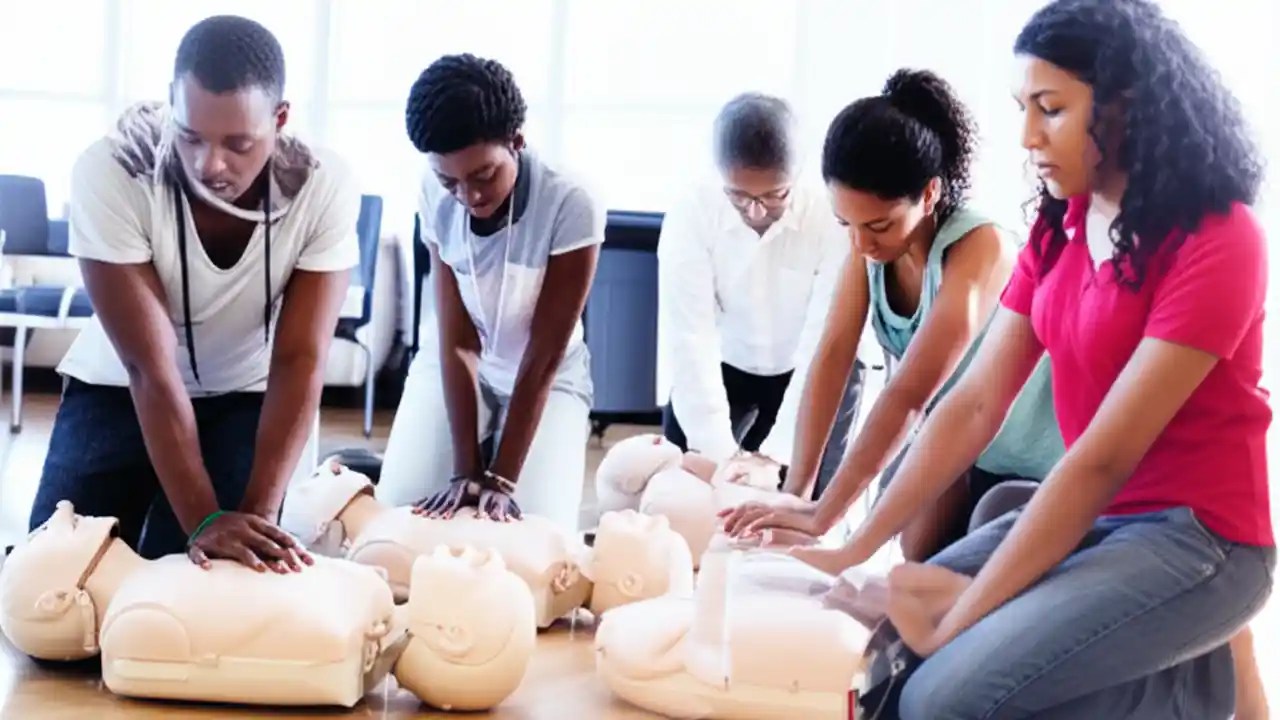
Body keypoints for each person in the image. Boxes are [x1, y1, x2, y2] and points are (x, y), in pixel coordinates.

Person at [789, 1, 1275, 717]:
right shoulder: (1063, 227)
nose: (1027, 136)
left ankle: (1186, 685)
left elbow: (1100, 460)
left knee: (941, 697)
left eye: (1050, 109)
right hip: (1102, 522)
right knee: (889, 646)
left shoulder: (1221, 240)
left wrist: (963, 617)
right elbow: (976, 401)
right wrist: (852, 546)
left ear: (1127, 105)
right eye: (1023, 108)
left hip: (1200, 539)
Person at [29, 16, 360, 573]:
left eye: (239, 143)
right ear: (170, 106)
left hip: (245, 395)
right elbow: (148, 366)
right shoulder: (110, 170)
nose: (211, 164)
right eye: (190, 137)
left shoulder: (324, 184)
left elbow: (302, 358)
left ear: (280, 120)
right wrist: (206, 519)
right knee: (53, 582)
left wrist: (252, 521)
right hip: (119, 386)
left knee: (212, 582)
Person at [722, 69, 1063, 561]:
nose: (861, 243)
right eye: (847, 224)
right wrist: (796, 493)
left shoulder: (980, 247)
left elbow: (910, 395)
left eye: (878, 224)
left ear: (929, 194)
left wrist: (824, 516)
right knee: (914, 549)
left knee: (958, 558)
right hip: (962, 444)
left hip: (1036, 458)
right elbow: (833, 356)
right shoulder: (869, 251)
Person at [376, 54, 604, 533]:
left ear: (516, 143)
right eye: (449, 180)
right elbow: (456, 340)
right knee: (398, 515)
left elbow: (544, 353)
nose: (468, 196)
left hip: (551, 374)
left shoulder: (571, 201)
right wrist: (465, 469)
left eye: (482, 175)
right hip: (457, 368)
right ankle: (387, 463)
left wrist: (500, 476)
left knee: (534, 534)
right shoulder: (434, 193)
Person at [656, 92, 864, 499]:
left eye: (773, 196)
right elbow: (689, 337)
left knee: (802, 507)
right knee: (687, 497)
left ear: (798, 175)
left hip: (814, 367)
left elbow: (824, 339)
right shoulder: (692, 211)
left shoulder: (830, 215)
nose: (754, 211)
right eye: (739, 196)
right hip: (724, 365)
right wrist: (721, 457)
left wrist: (776, 455)